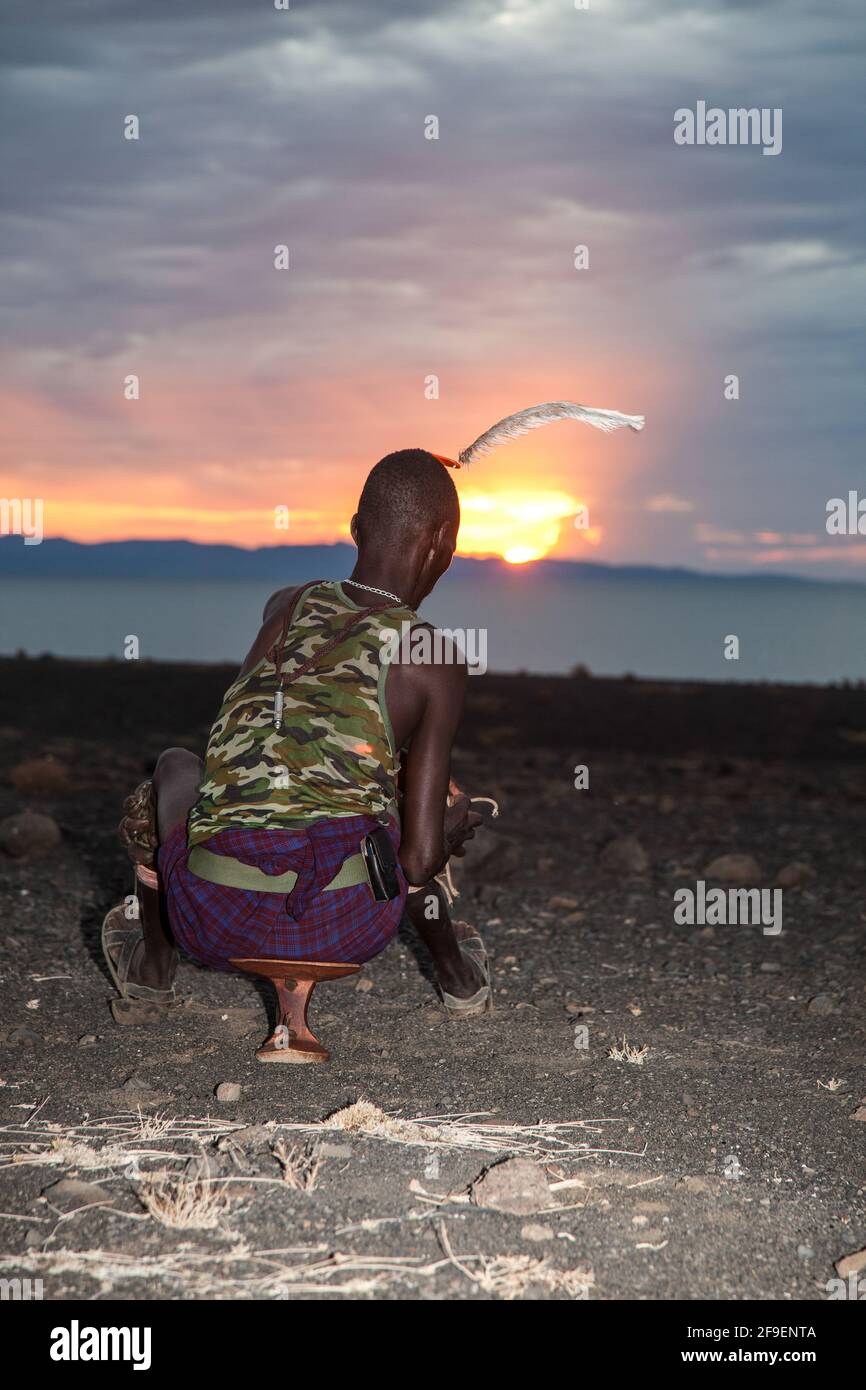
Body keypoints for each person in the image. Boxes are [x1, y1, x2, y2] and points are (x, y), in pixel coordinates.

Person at [101, 448, 491, 1028]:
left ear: (356, 528)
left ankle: (154, 963)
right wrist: (443, 824)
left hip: (208, 917)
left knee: (177, 767)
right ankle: (458, 979)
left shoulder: (286, 605)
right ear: (444, 546)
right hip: (343, 926)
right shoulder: (435, 656)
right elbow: (418, 861)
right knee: (423, 803)